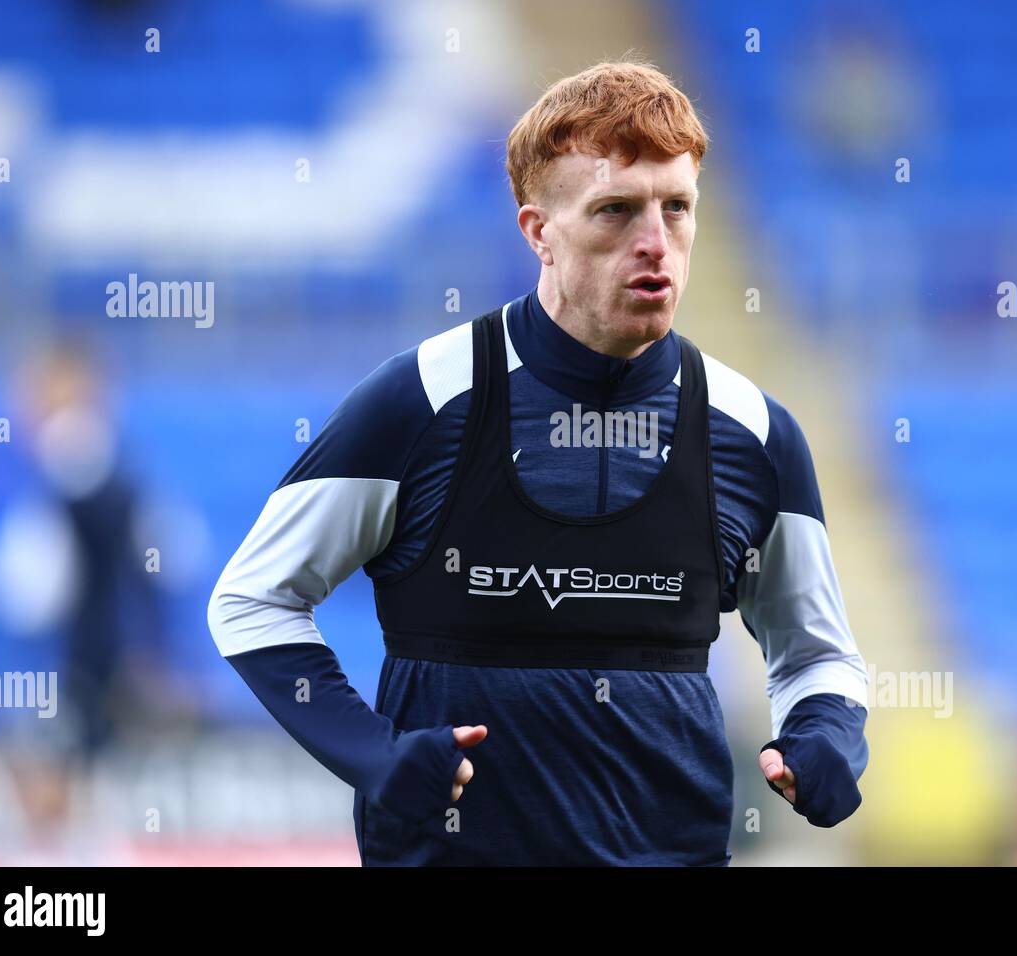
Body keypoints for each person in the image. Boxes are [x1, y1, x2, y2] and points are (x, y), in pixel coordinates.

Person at [207, 59, 870, 866]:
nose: (655, 243)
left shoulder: (753, 432)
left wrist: (828, 732)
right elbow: (251, 600)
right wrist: (373, 753)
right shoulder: (421, 399)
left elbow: (816, 653)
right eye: (616, 211)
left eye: (678, 208)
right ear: (538, 232)